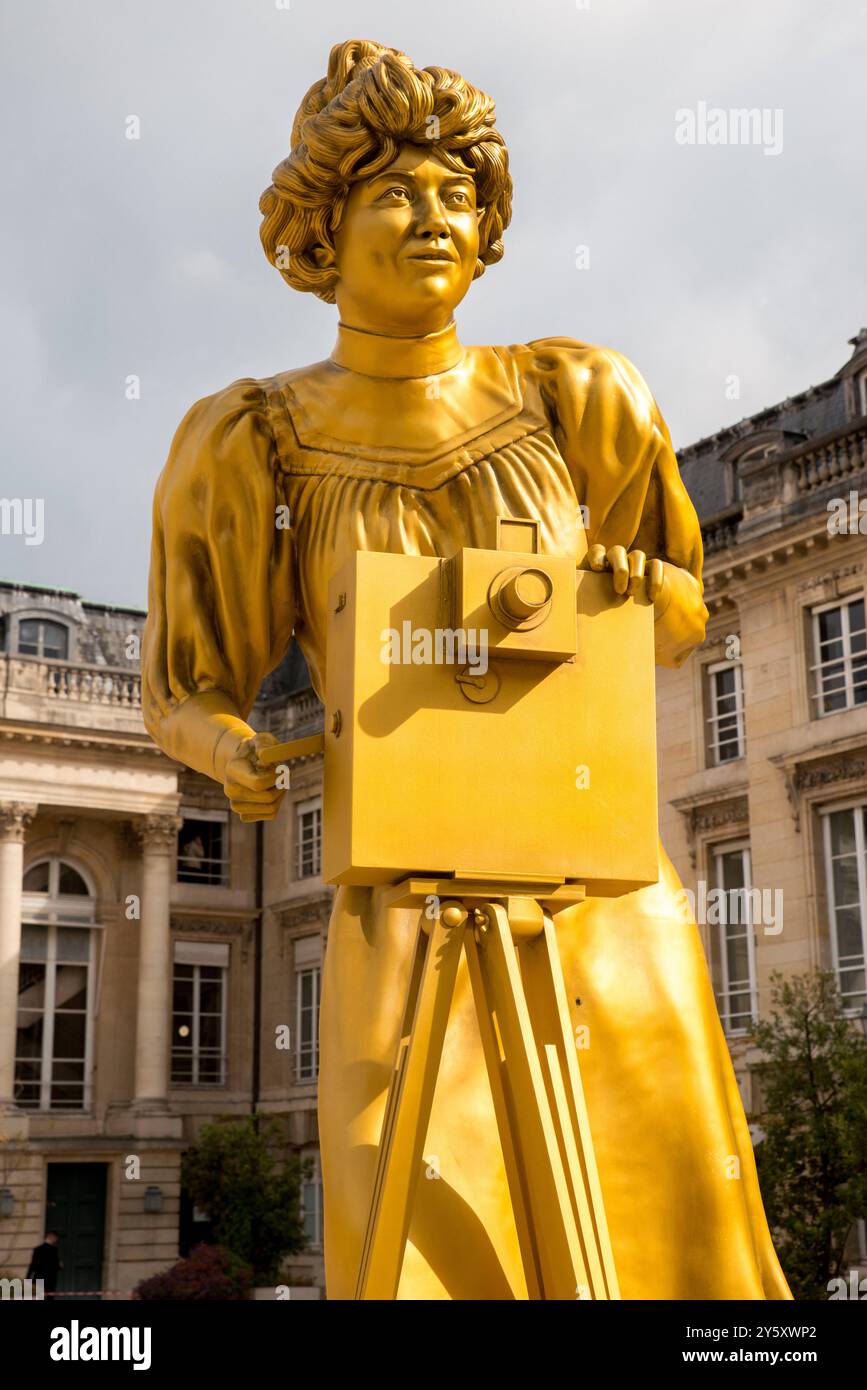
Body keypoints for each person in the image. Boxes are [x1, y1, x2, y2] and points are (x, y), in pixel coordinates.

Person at [141, 38, 791, 1300]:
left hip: (602, 894)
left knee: (669, 1257)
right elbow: (188, 686)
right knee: (435, 1235)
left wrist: (638, 584)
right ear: (323, 228)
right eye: (394, 190)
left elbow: (680, 612)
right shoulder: (252, 436)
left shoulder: (578, 394)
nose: (433, 216)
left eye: (457, 190)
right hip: (407, 899)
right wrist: (235, 750)